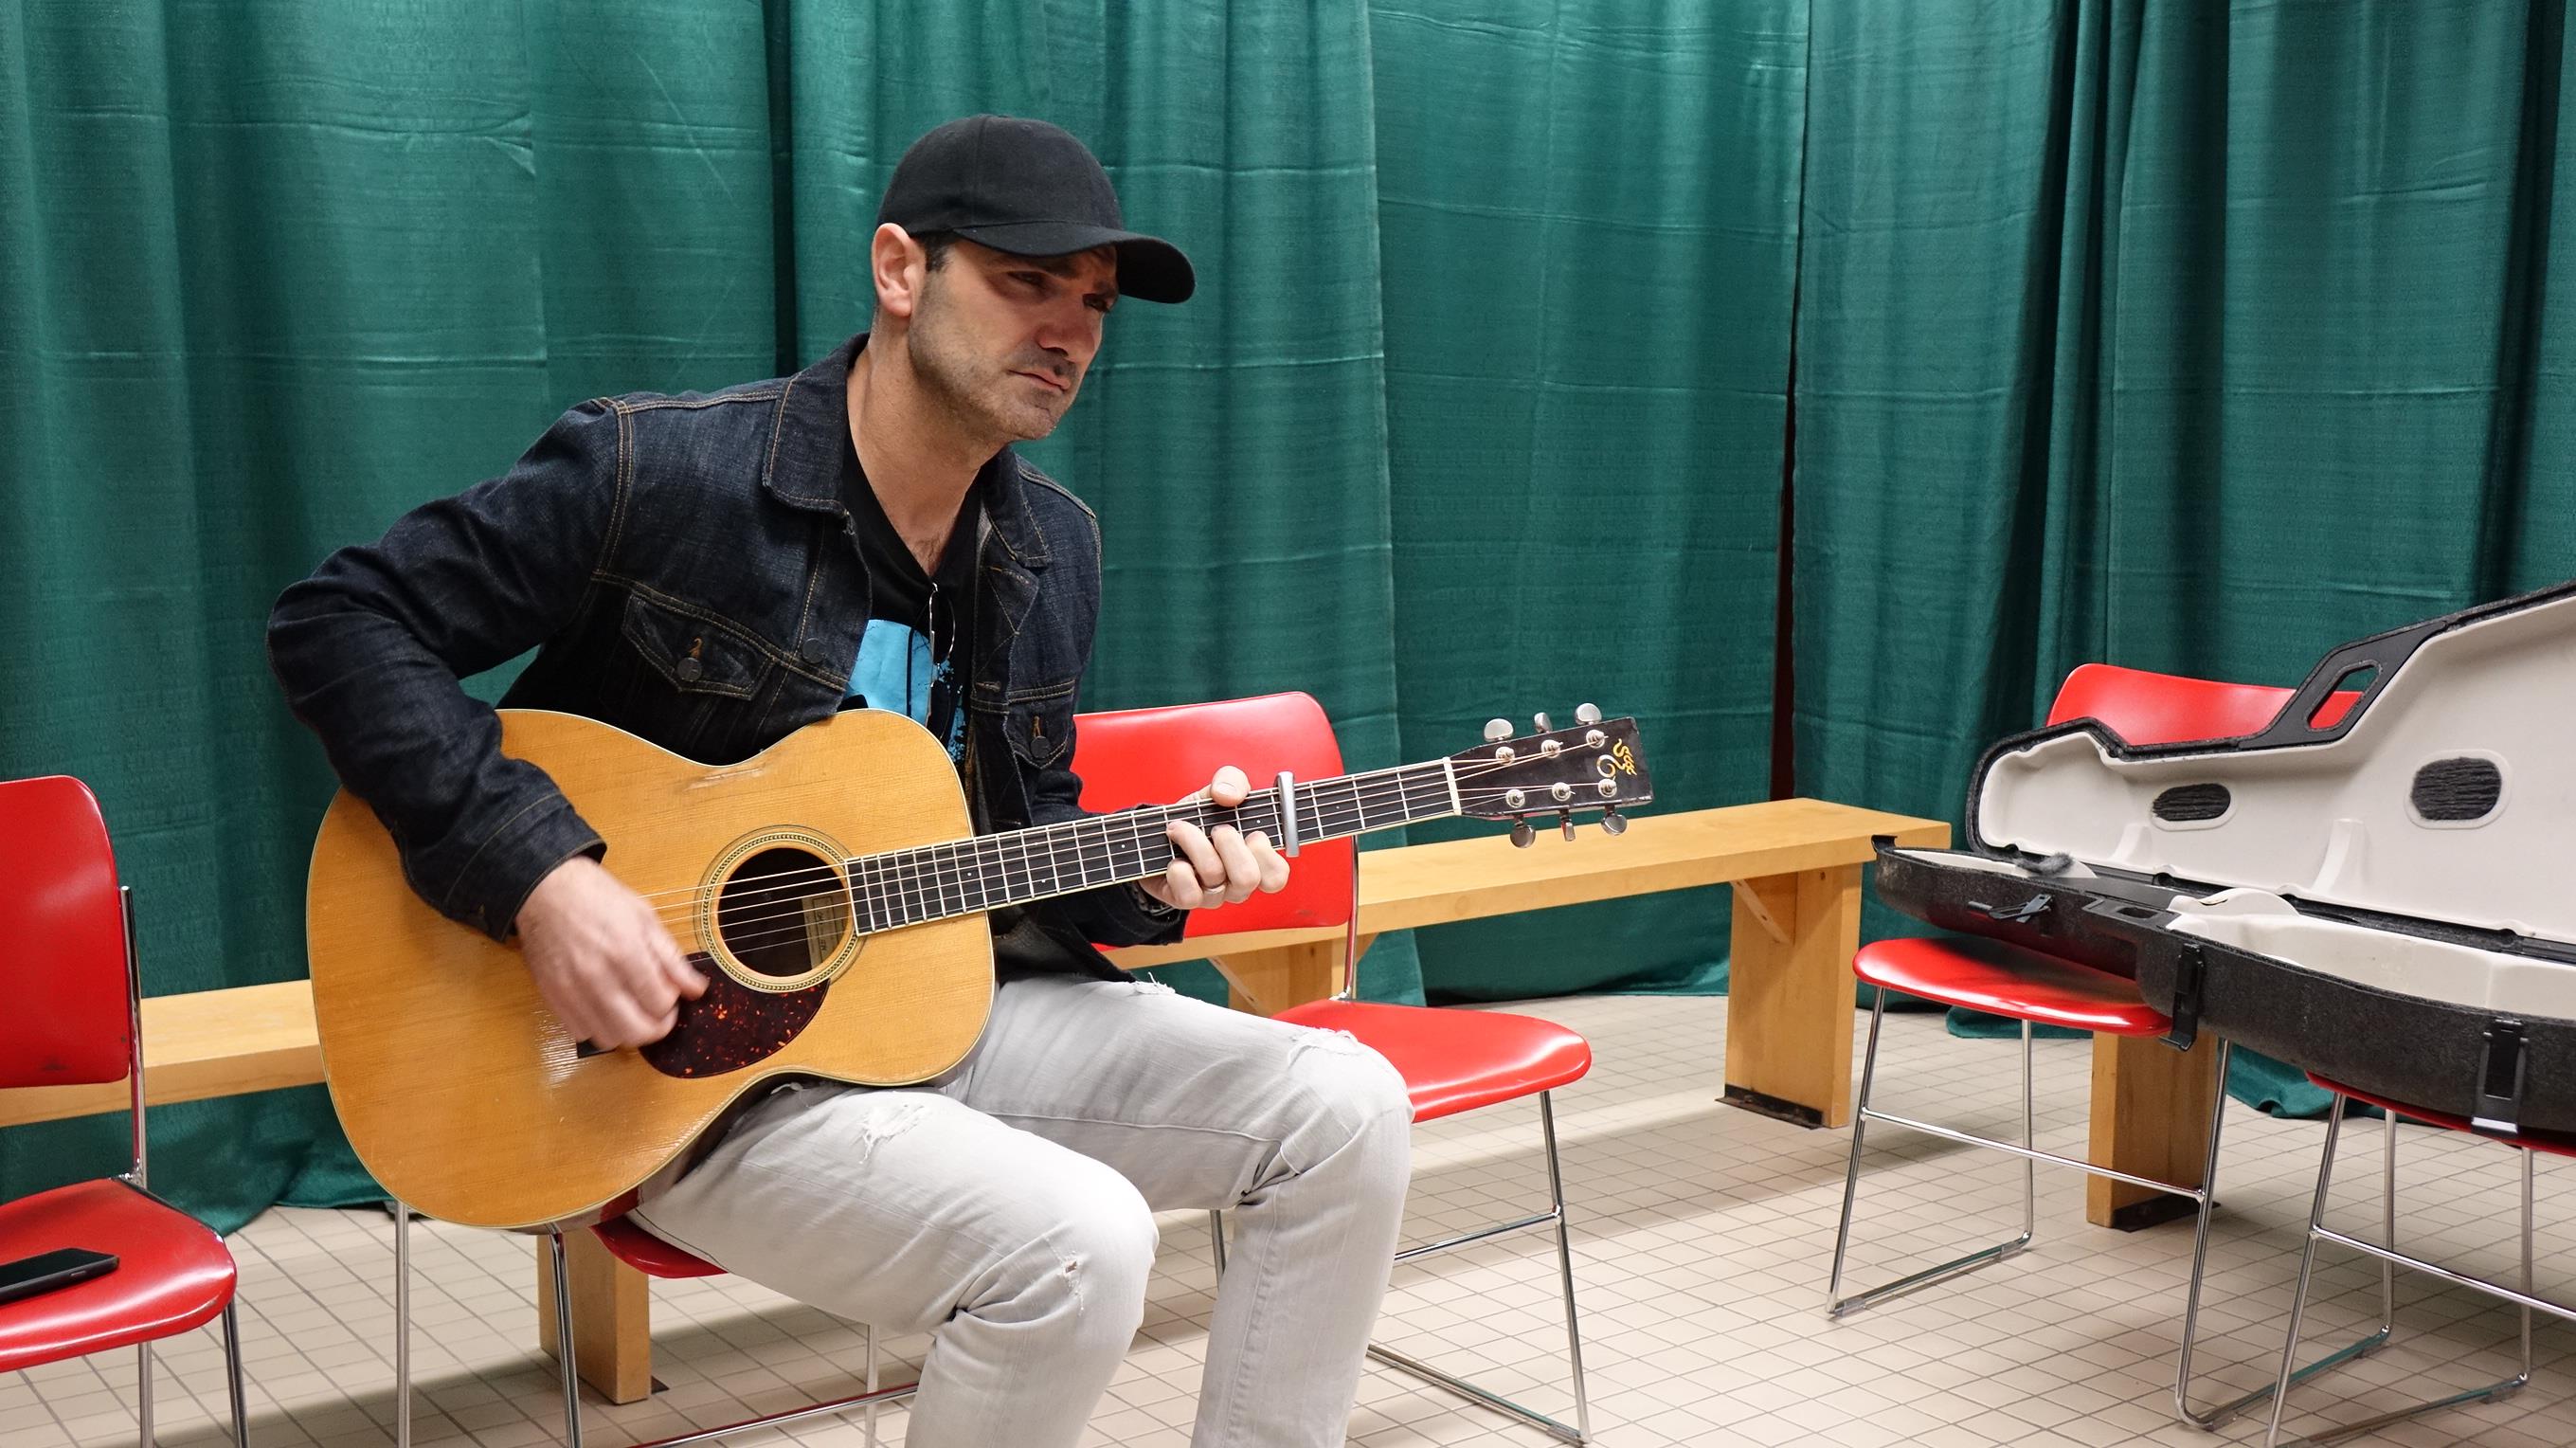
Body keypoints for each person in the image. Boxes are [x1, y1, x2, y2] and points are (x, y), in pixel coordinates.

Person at [268, 114, 1413, 1448]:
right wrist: (544, 878)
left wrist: (1164, 876)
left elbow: (1025, 840)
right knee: (1077, 1243)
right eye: (1026, 282)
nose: (1070, 332)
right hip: (683, 1077)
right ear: (898, 271)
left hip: (951, 1016)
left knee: (1347, 1105)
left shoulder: (1052, 550)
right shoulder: (663, 472)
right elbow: (341, 623)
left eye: (1093, 305)